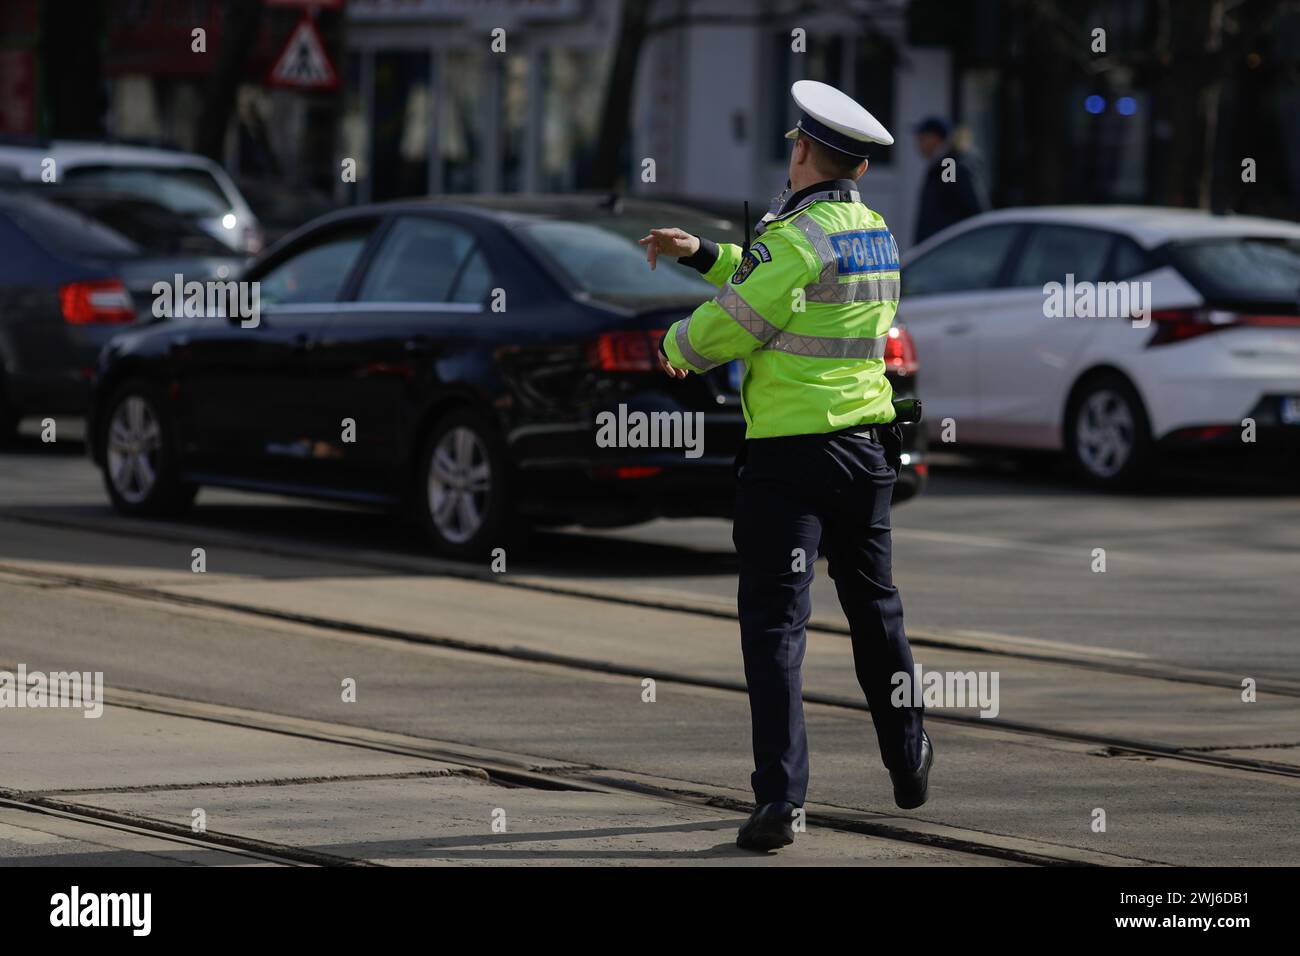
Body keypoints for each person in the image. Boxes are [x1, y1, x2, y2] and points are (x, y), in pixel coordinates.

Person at [639, 80, 931, 853]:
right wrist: (702, 253)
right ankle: (909, 751)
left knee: (775, 629)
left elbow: (749, 314)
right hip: (867, 448)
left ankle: (782, 804)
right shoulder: (871, 232)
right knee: (876, 609)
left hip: (789, 457)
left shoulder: (797, 236)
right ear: (858, 170)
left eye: (795, 144)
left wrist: (673, 348)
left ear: (803, 152)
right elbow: (776, 278)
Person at [912, 115, 989, 245]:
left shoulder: (949, 165)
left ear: (935, 138)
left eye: (922, 137)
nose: (918, 142)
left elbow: (957, 207)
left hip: (946, 248)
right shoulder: (944, 163)